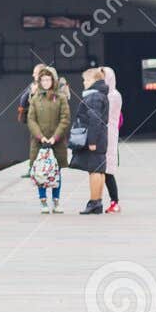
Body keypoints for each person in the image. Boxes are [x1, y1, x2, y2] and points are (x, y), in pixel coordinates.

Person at [25, 64, 69, 213]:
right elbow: (31, 119)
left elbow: (65, 119)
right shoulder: (35, 99)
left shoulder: (61, 98)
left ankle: (56, 202)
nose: (45, 83)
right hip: (39, 142)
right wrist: (41, 136)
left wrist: (55, 137)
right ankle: (43, 202)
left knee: (56, 172)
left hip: (57, 142)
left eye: (48, 80)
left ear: (53, 81)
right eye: (42, 80)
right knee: (40, 172)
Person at [69, 65, 109, 214]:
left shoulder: (93, 97)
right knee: (99, 171)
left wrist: (91, 141)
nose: (84, 82)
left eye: (85, 80)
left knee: (94, 171)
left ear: (93, 79)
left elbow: (95, 119)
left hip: (94, 139)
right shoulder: (101, 94)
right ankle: (97, 202)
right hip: (101, 137)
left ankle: (93, 202)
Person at [101, 65, 122, 214]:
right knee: (103, 170)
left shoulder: (113, 95)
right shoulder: (106, 94)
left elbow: (105, 115)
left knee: (108, 171)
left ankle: (115, 202)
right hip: (104, 134)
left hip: (109, 135)